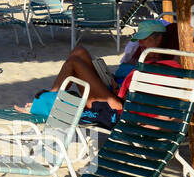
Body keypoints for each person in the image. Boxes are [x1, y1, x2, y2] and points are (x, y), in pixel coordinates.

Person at [39, 19, 172, 110]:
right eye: (140, 40)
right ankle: (48, 99)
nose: (141, 44)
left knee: (74, 63)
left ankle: (45, 102)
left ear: (159, 38)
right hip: (111, 92)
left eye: (145, 39)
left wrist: (120, 90)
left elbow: (140, 97)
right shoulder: (143, 59)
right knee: (78, 51)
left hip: (115, 103)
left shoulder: (158, 65)